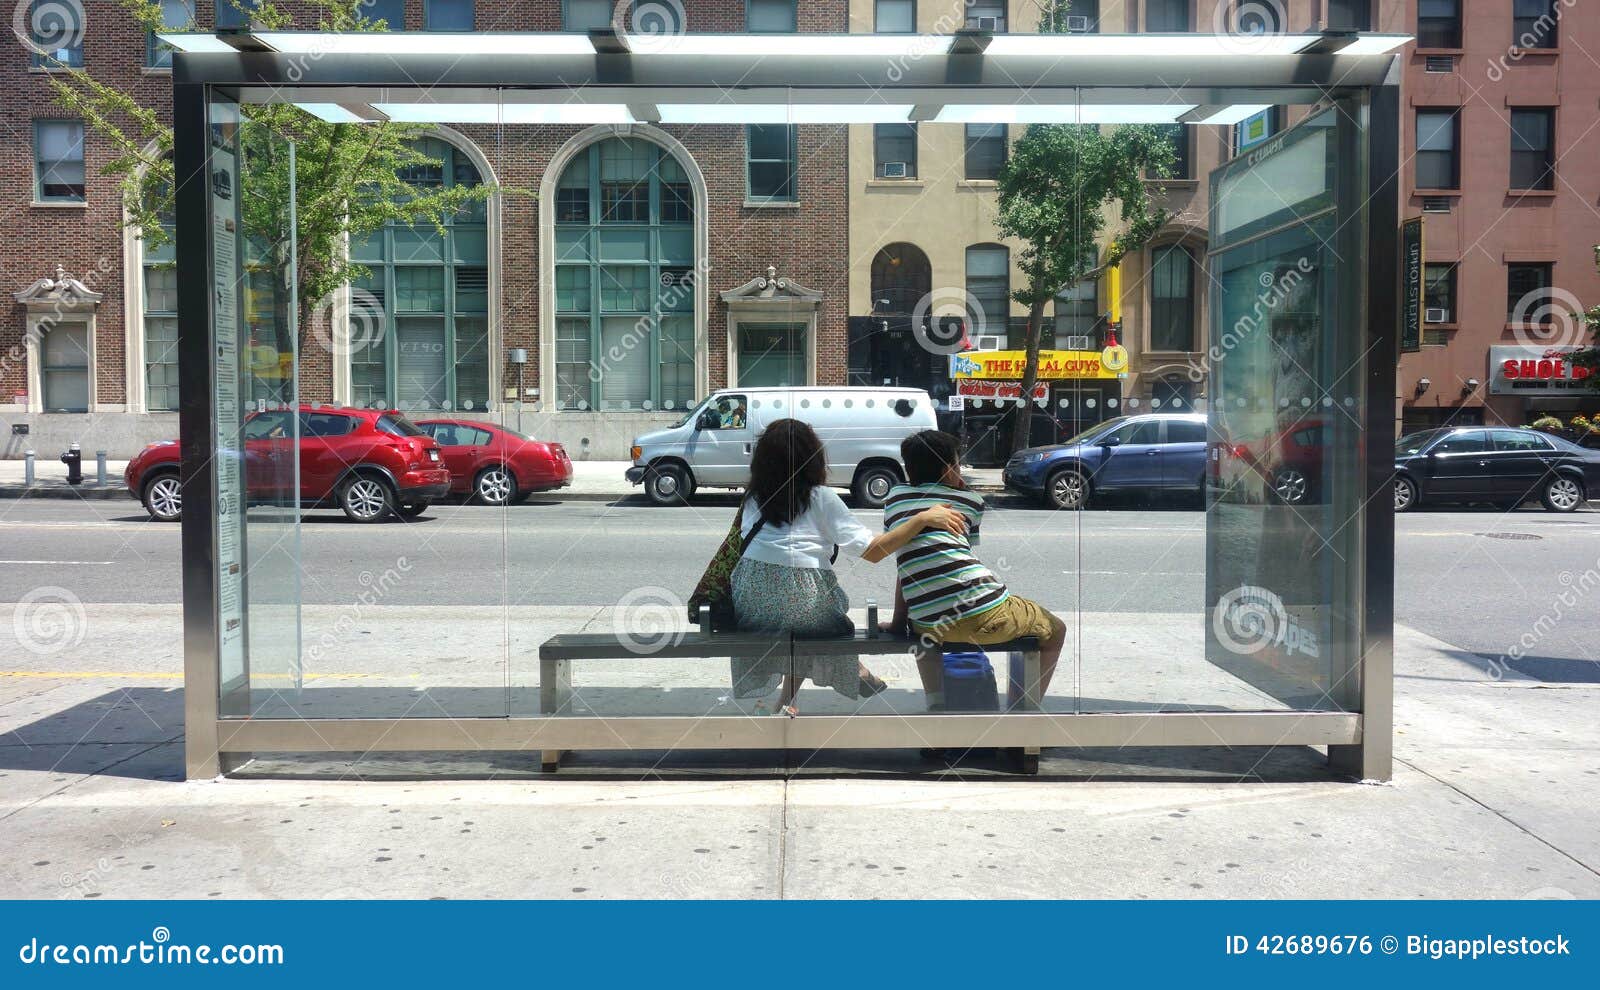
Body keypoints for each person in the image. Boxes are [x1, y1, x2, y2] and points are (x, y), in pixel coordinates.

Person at [731, 419, 968, 713]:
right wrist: (922, 519)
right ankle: (854, 670)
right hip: (806, 602)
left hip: (751, 602)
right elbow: (873, 552)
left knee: (800, 623)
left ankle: (787, 701)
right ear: (812, 457)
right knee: (815, 621)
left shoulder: (752, 499)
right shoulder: (821, 497)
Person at [882, 429, 1067, 709]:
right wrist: (960, 488)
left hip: (928, 624)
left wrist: (899, 622)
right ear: (949, 470)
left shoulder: (894, 499)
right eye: (957, 464)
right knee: (1055, 630)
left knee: (926, 636)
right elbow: (958, 555)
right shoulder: (970, 502)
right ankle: (1023, 716)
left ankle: (936, 705)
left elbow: (908, 563)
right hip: (984, 613)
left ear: (909, 468)